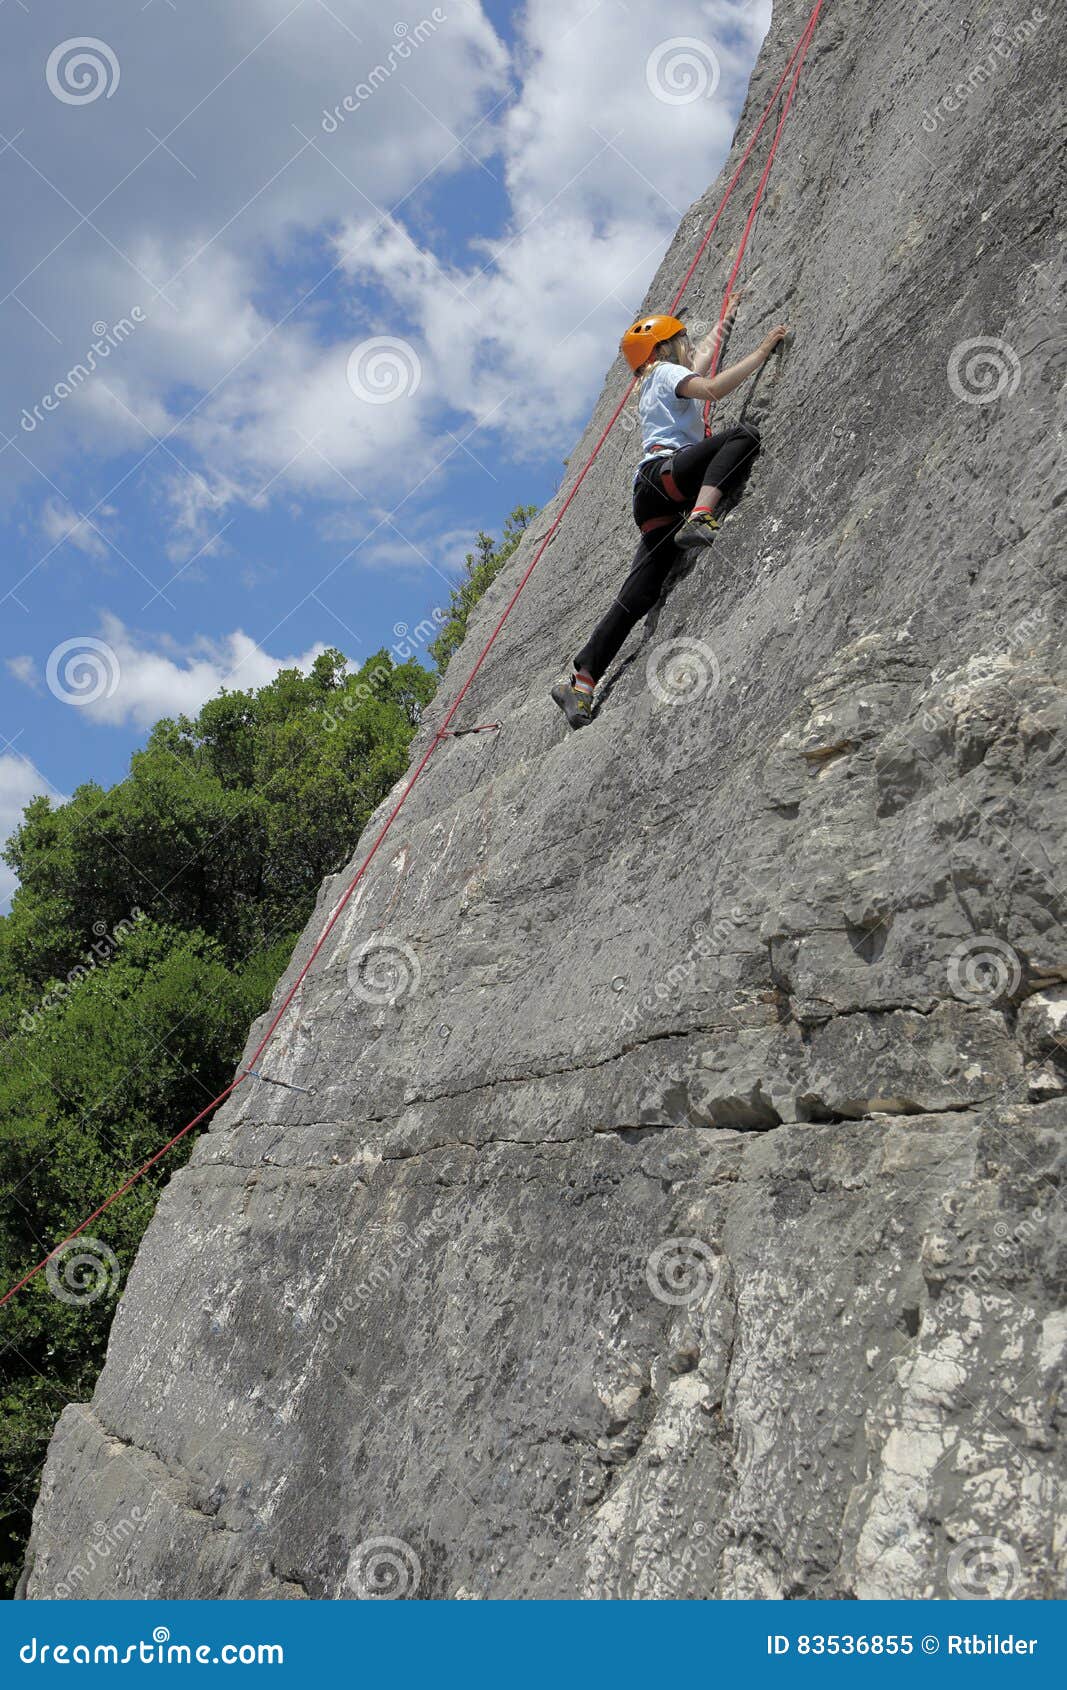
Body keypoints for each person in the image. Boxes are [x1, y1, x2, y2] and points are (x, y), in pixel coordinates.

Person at [551, 303, 788, 729]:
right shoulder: (664, 373)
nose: (692, 346)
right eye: (684, 340)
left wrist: (727, 317)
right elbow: (711, 388)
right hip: (668, 477)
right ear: (663, 349)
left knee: (639, 594)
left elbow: (702, 358)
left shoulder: (654, 380)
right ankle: (702, 514)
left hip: (652, 499)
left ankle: (582, 680)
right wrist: (761, 350)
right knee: (744, 436)